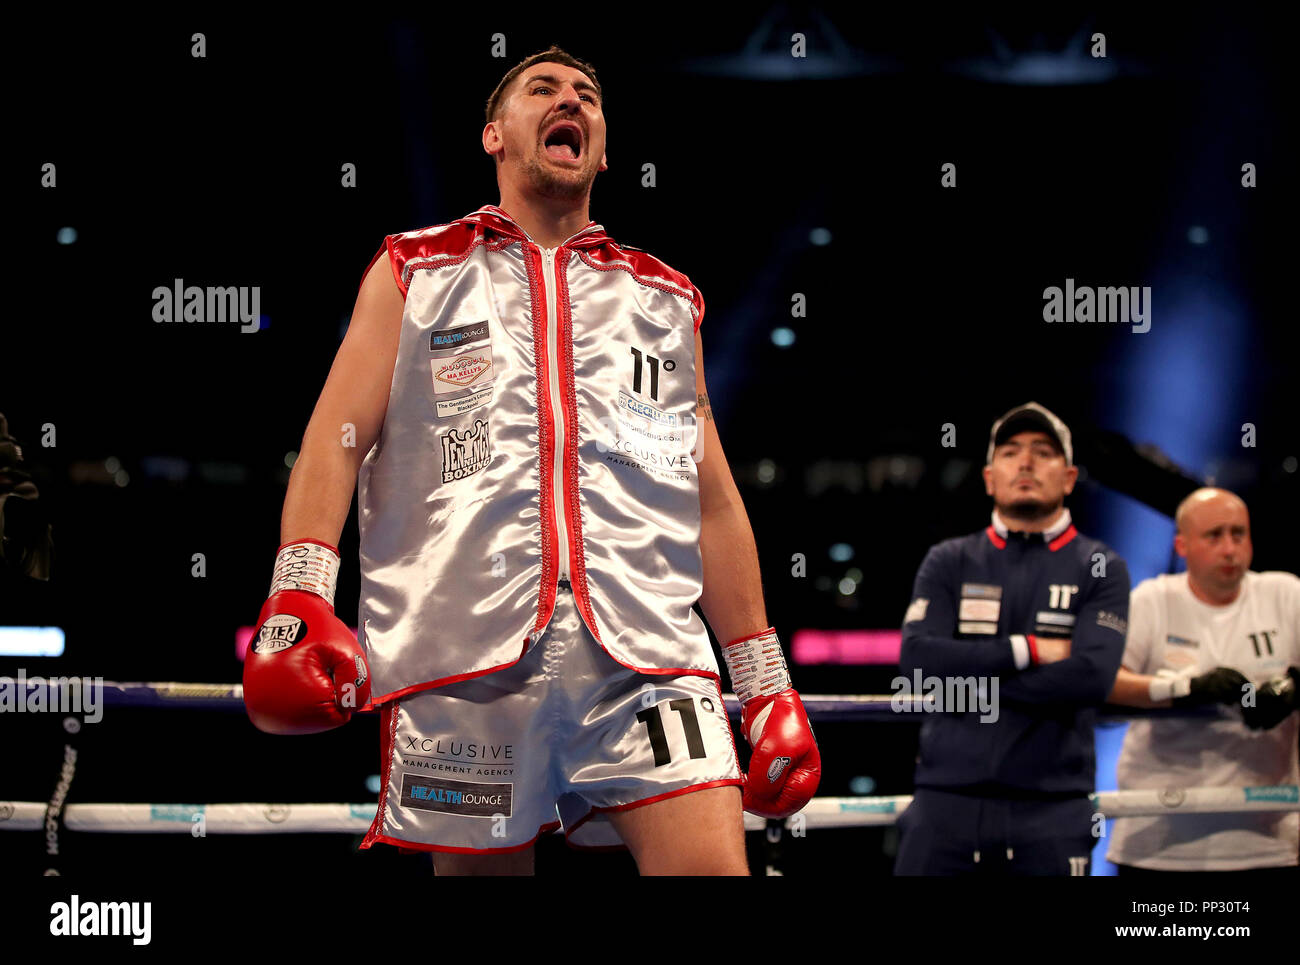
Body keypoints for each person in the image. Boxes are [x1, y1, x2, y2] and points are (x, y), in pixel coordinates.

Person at [240, 46, 820, 876]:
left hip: (650, 656)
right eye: (542, 89)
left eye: (587, 95)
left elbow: (713, 502)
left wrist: (763, 680)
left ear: (604, 149)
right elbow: (338, 432)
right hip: (468, 657)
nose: (570, 101)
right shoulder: (416, 268)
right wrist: (298, 589)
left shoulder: (664, 298)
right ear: (494, 136)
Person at [895, 402, 1130, 875]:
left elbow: (1091, 679)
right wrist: (1031, 651)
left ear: (1067, 478)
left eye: (1042, 452)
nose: (1025, 462)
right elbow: (918, 663)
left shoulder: (1101, 566)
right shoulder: (949, 560)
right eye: (1011, 452)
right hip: (945, 803)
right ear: (989, 477)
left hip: (1052, 806)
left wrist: (967, 683)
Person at [1105, 487, 1299, 875]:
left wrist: (1293, 689)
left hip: (1266, 838)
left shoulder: (1285, 593)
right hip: (1156, 834)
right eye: (1214, 535)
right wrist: (1184, 690)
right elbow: (1103, 683)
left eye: (1238, 534)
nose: (1229, 549)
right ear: (1182, 544)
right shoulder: (1152, 599)